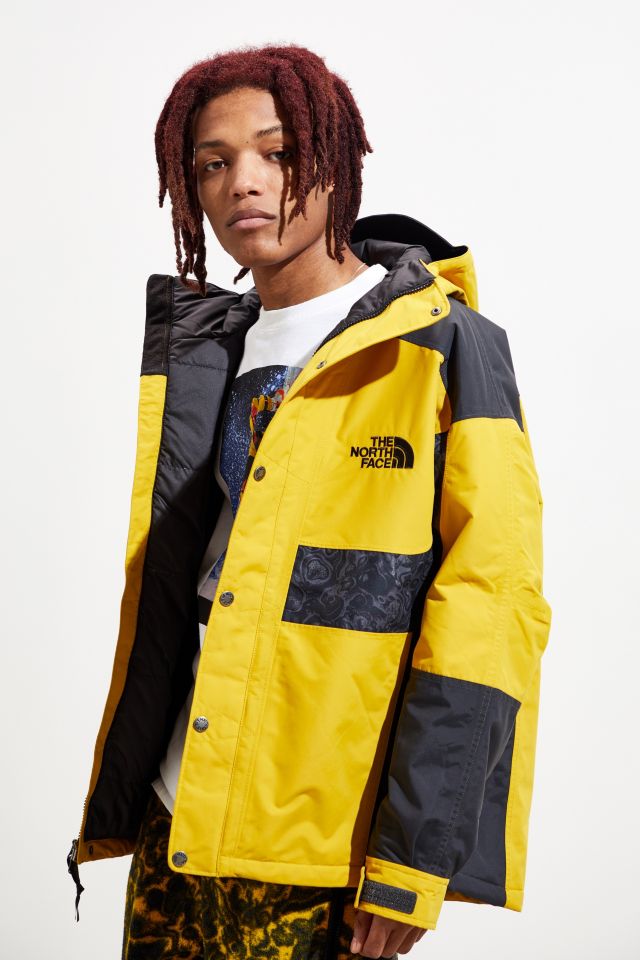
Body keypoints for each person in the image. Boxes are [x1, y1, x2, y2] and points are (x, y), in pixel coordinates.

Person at [66, 42, 552, 960]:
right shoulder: (208, 349)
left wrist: (416, 858)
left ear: (337, 157)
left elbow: (491, 608)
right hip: (180, 820)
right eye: (213, 164)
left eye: (277, 152)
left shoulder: (443, 345)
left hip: (322, 856)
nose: (243, 183)